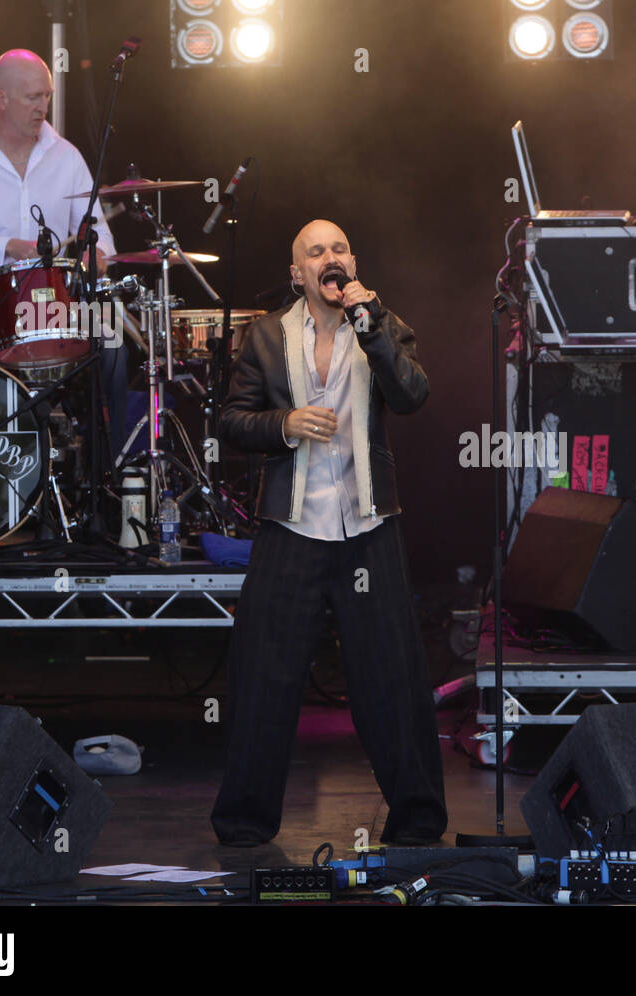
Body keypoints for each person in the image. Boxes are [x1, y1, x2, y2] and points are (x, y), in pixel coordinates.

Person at [210, 219, 447, 846]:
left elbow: (413, 395)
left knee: (391, 676)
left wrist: (372, 328)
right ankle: (244, 822)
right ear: (297, 273)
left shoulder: (381, 324)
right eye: (315, 251)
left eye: (338, 248)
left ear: (352, 261)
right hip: (293, 523)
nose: (329, 257)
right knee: (265, 675)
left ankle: (418, 818)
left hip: (368, 520)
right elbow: (232, 422)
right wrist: (285, 423)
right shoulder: (264, 335)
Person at [0, 49, 126, 450]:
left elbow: (99, 235)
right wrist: (6, 248)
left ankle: (109, 472)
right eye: (33, 97)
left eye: (46, 96)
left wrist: (96, 253)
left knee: (114, 343)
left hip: (52, 302)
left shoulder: (66, 157)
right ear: (1, 98)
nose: (43, 107)